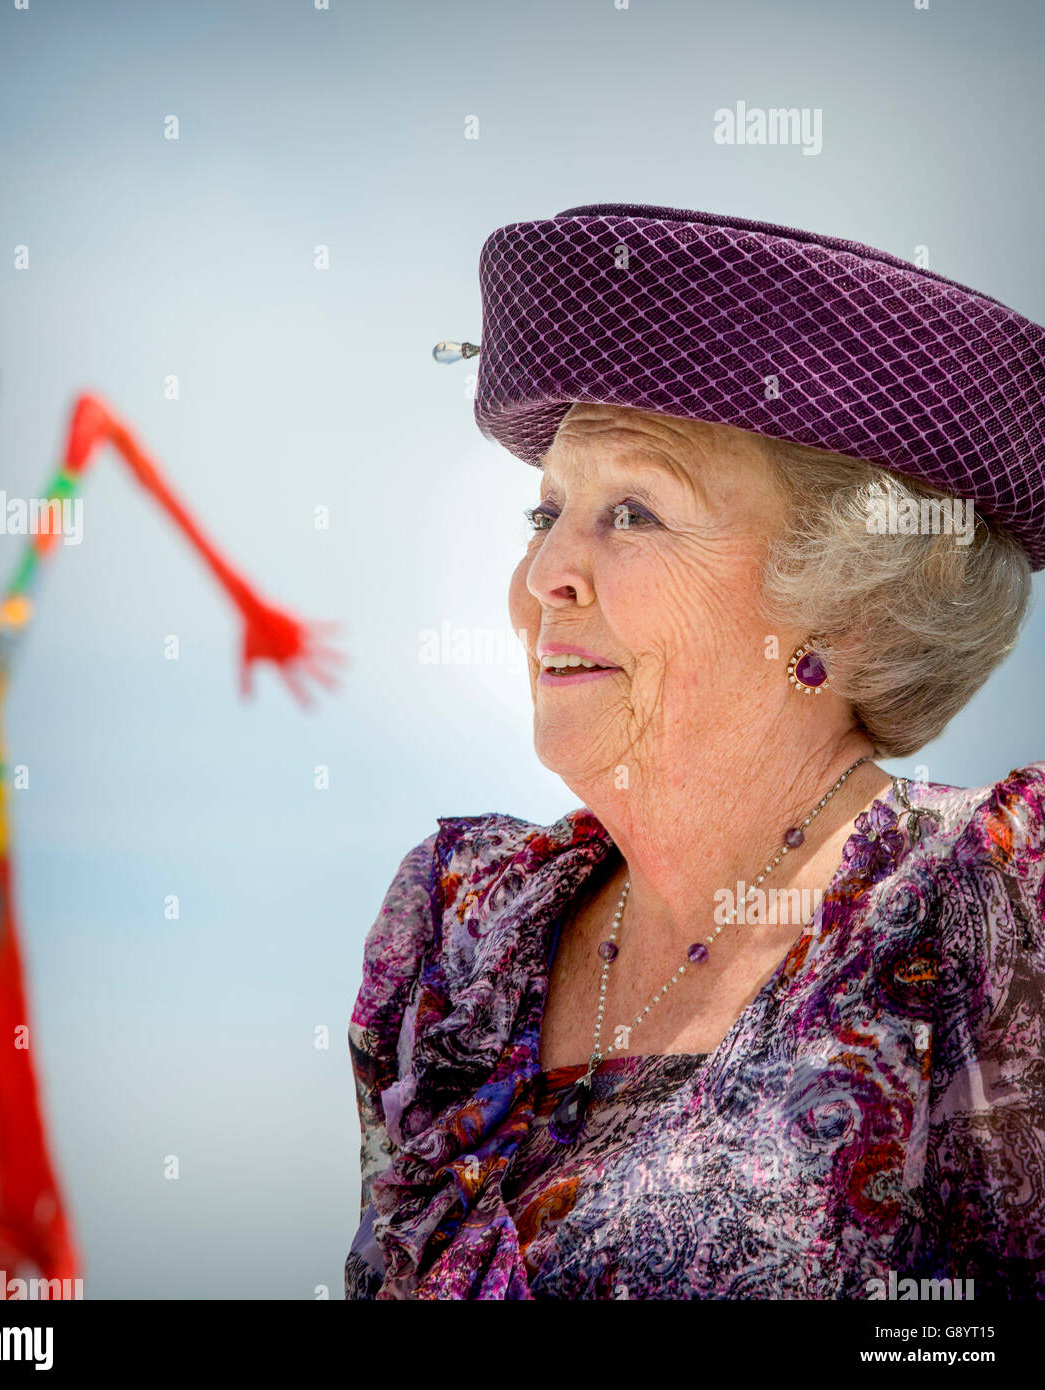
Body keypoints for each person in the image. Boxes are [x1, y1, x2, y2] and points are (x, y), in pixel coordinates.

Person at [345, 204, 1045, 1299]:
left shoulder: (986, 902)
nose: (545, 580)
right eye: (546, 515)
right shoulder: (463, 925)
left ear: (844, 602)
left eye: (631, 512)